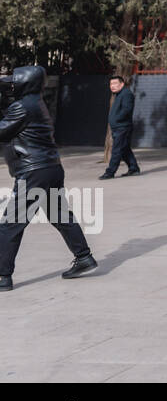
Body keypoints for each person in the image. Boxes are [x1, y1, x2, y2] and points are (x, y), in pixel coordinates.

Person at [0, 66, 97, 289]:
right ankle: (84, 257)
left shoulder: (23, 107)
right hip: (49, 168)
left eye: (15, 81)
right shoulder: (33, 102)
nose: (11, 84)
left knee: (10, 224)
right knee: (60, 215)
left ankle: (2, 276)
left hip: (34, 172)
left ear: (25, 83)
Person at [99, 74, 140, 180]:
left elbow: (127, 110)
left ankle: (110, 172)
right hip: (118, 127)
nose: (112, 86)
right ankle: (134, 168)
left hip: (122, 127)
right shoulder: (119, 94)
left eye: (115, 83)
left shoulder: (126, 94)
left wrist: (117, 119)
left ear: (122, 84)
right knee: (125, 149)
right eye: (111, 84)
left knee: (117, 150)